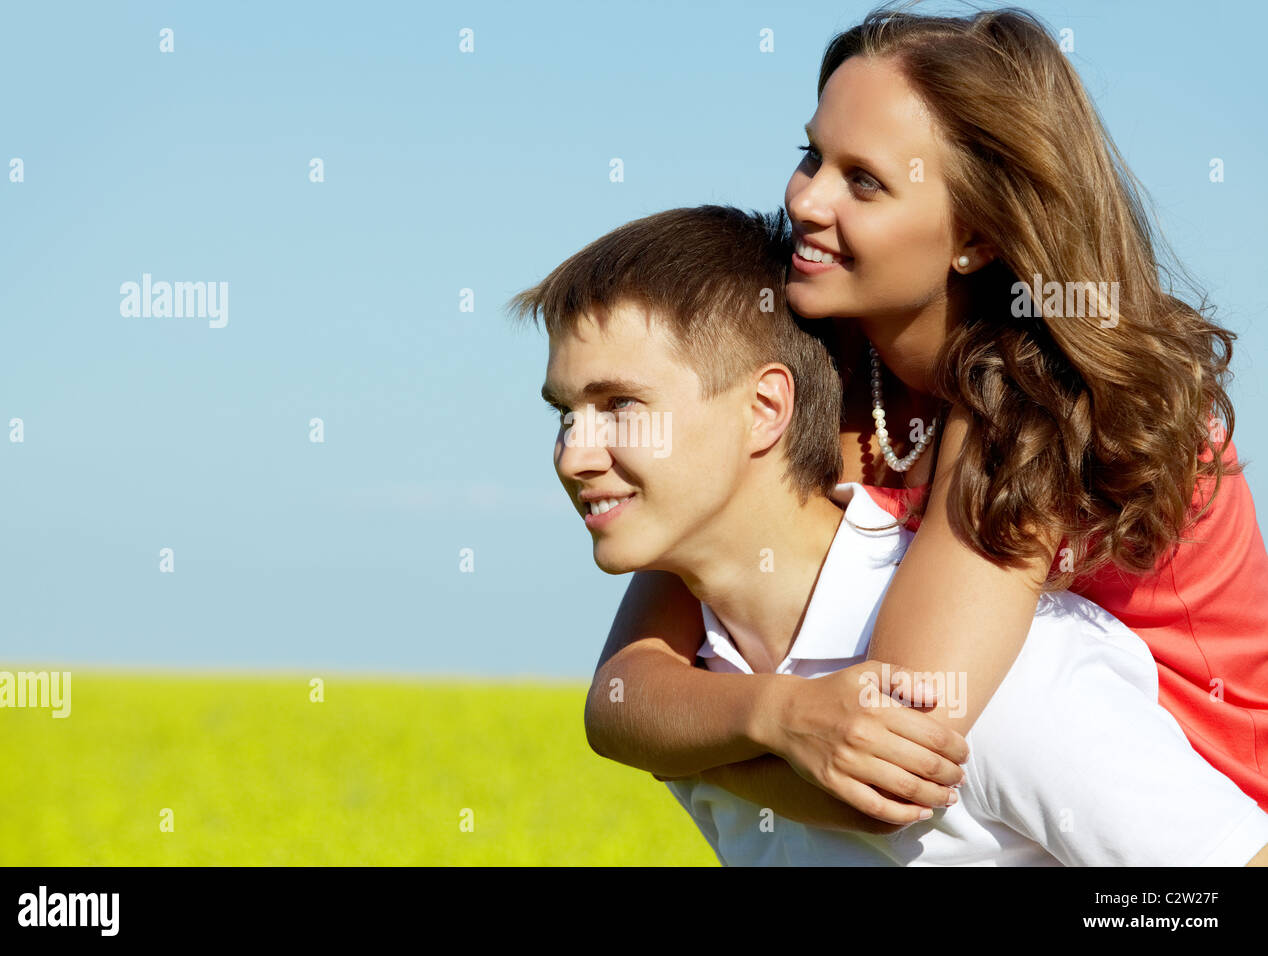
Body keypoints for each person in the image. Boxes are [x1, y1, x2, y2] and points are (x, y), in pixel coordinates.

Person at [582, 6, 1268, 825]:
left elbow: (892, 770)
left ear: (973, 236)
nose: (805, 199)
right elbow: (622, 698)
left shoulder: (1040, 396)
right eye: (811, 156)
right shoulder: (815, 364)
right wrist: (777, 716)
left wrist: (699, 757)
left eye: (862, 181)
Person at [507, 203, 1268, 865]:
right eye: (564, 413)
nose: (573, 455)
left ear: (768, 409)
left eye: (622, 406)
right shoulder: (702, 687)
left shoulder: (1012, 674)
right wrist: (772, 723)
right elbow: (616, 708)